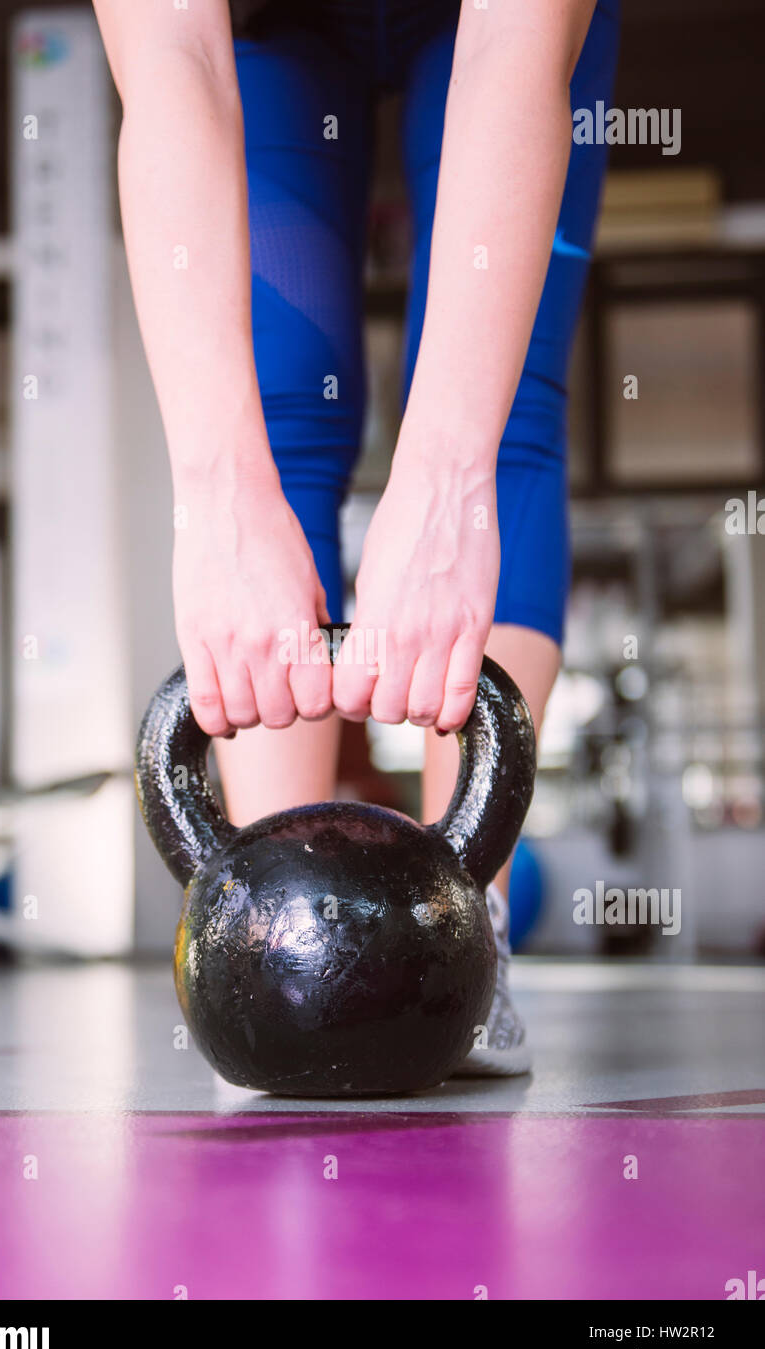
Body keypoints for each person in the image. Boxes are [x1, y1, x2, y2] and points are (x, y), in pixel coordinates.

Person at [93, 0, 619, 1075]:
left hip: (495, 24)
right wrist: (217, 493)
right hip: (264, 28)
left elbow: (514, 45)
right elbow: (174, 65)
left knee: (503, 418)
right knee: (275, 429)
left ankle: (469, 934)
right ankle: (284, 937)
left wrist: (446, 476)